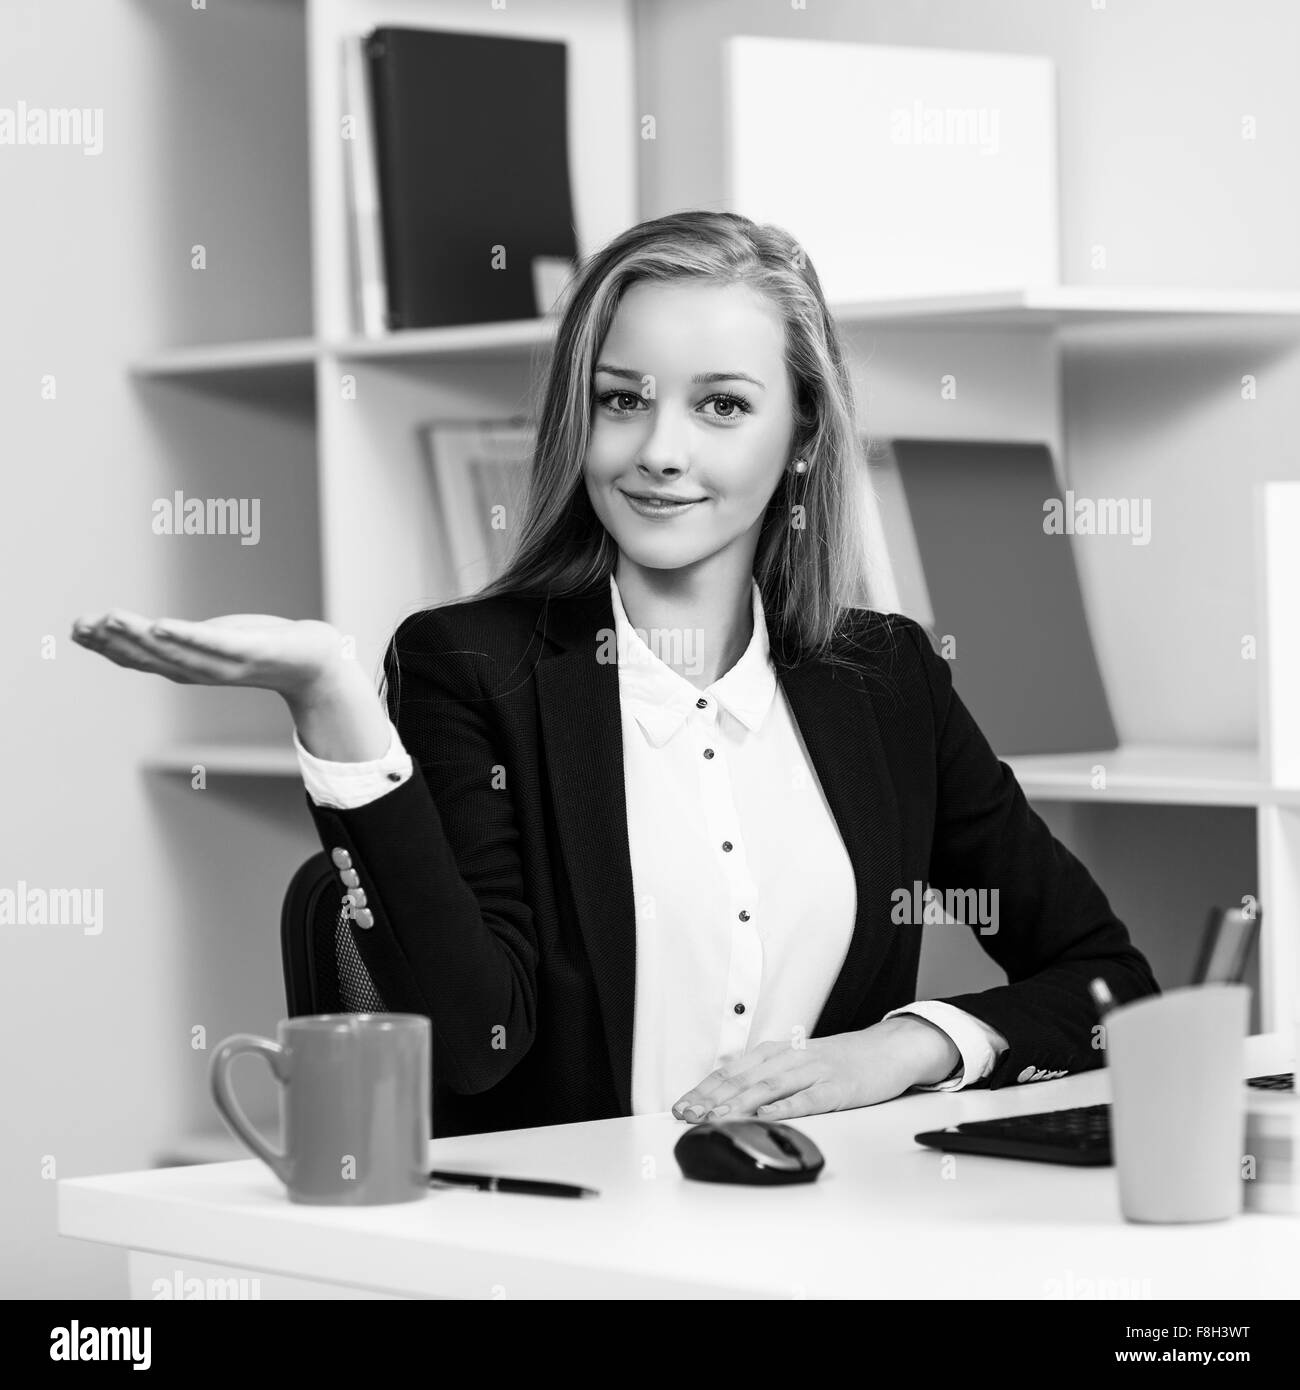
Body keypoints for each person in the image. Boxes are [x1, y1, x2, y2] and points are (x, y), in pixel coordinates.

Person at [71, 210, 1159, 1139]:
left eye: (722, 405)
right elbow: (471, 1044)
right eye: (622, 398)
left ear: (804, 439)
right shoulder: (472, 667)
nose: (659, 450)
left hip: (829, 1243)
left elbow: (1107, 983)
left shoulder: (886, 680)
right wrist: (331, 698)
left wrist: (897, 1049)